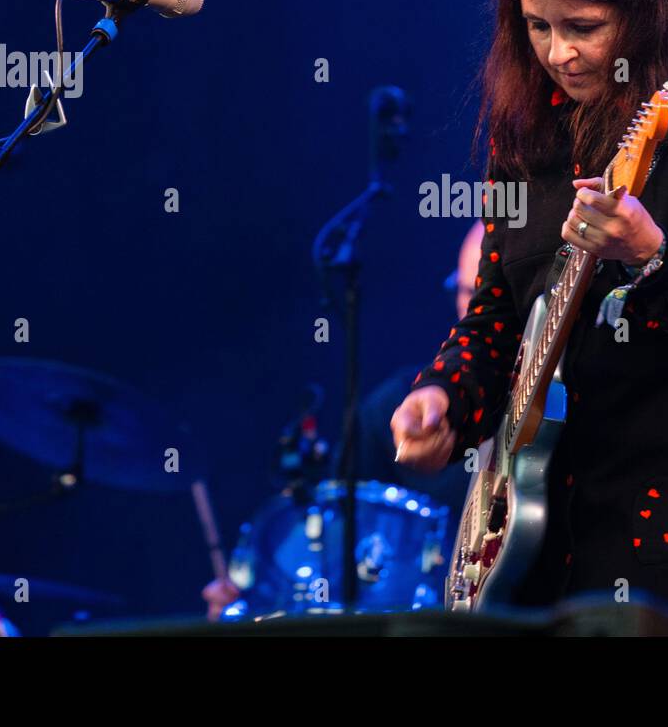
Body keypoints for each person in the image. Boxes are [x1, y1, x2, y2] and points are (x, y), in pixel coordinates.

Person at [391, 0, 668, 633]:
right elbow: (500, 308)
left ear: (644, 12)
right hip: (533, 524)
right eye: (537, 25)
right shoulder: (527, 132)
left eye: (584, 26)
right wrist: (443, 396)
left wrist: (649, 253)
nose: (558, 51)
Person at [200, 224, 480, 621]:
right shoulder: (393, 406)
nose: (479, 313)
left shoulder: (570, 402)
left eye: (495, 295)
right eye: (469, 293)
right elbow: (333, 548)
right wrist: (259, 593)